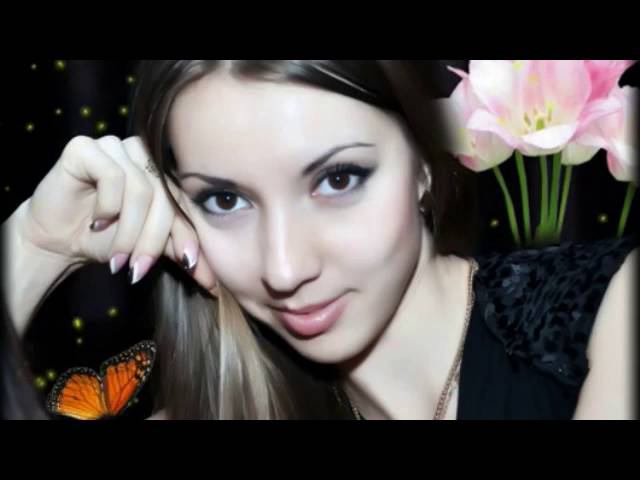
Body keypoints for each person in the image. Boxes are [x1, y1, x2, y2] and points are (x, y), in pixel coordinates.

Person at [2, 61, 636, 420]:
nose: (284, 268)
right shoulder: (219, 407)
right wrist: (35, 247)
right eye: (225, 200)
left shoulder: (614, 312)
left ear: (423, 161)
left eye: (338, 179)